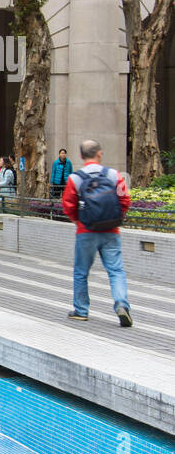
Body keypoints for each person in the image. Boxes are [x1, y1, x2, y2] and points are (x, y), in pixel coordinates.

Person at [62, 139, 132, 326]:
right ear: (99, 153)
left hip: (86, 231)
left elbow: (68, 206)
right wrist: (115, 218)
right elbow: (125, 199)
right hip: (111, 231)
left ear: (80, 156)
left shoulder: (74, 179)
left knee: (81, 272)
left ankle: (81, 310)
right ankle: (121, 305)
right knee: (116, 270)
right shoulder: (113, 175)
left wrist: (79, 221)